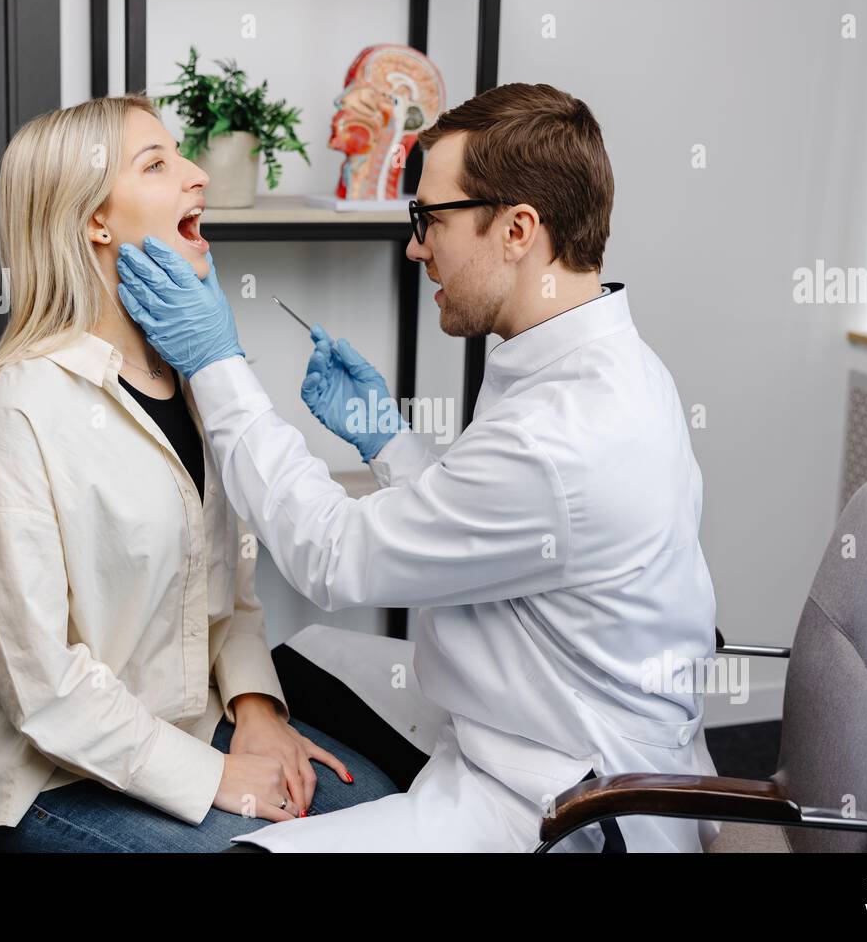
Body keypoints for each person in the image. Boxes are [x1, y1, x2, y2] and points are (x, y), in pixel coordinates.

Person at [117, 83, 723, 852]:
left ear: (517, 229)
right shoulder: (599, 364)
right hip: (540, 714)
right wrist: (385, 438)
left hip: (561, 801)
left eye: (429, 219)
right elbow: (484, 521)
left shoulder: (565, 435)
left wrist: (215, 363)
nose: (414, 246)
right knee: (301, 660)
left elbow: (332, 557)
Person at [0, 94, 404, 854]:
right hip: (49, 776)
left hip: (197, 721)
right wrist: (215, 780)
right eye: (157, 164)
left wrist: (257, 712)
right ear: (94, 221)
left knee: (397, 827)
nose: (196, 176)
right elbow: (41, 685)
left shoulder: (193, 382)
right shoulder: (7, 412)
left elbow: (230, 595)